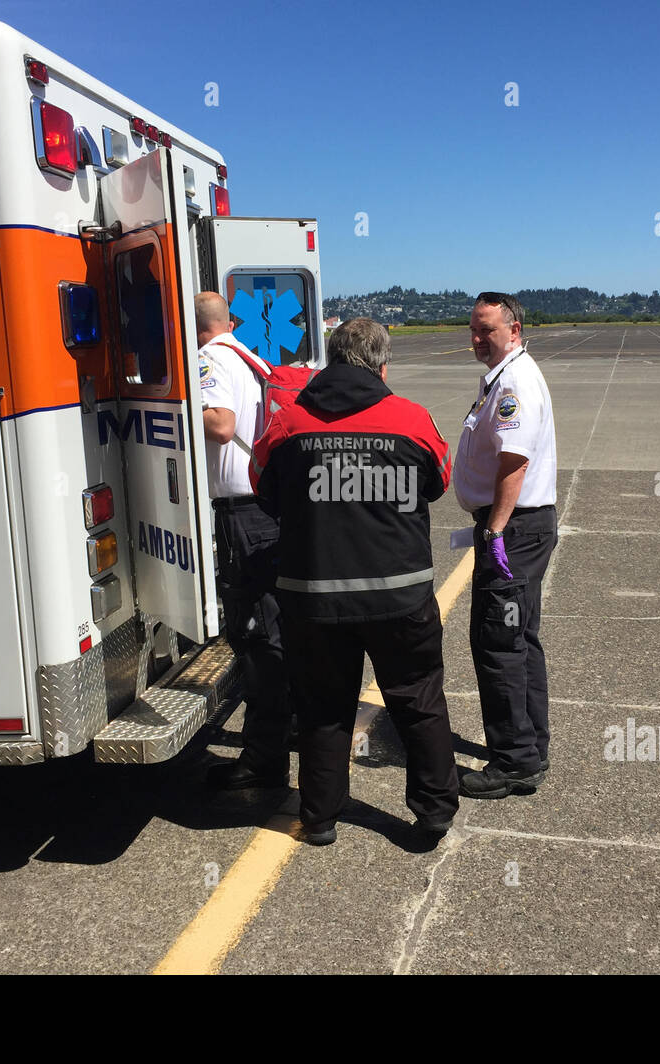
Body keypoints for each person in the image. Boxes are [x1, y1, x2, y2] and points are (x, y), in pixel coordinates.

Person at [251, 318, 458, 845]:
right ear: (383, 365)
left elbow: (263, 489)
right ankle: (433, 811)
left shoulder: (288, 422)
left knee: (322, 708)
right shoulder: (412, 420)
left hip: (313, 598)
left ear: (330, 360)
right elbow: (438, 482)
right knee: (418, 701)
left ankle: (319, 816)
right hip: (399, 593)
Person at [453, 292, 558, 799]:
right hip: (518, 528)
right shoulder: (502, 376)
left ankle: (514, 761)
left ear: (514, 330)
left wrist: (494, 530)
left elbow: (513, 464)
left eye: (487, 330)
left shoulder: (514, 382)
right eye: (473, 329)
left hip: (512, 531)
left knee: (499, 643)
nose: (477, 338)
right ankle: (530, 745)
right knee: (519, 639)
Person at [194, 291, 292, 790]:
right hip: (266, 507)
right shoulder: (250, 356)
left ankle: (263, 758)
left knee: (254, 638)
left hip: (241, 514)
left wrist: (182, 402)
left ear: (196, 328)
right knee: (273, 631)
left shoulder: (209, 358)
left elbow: (221, 424)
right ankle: (282, 734)